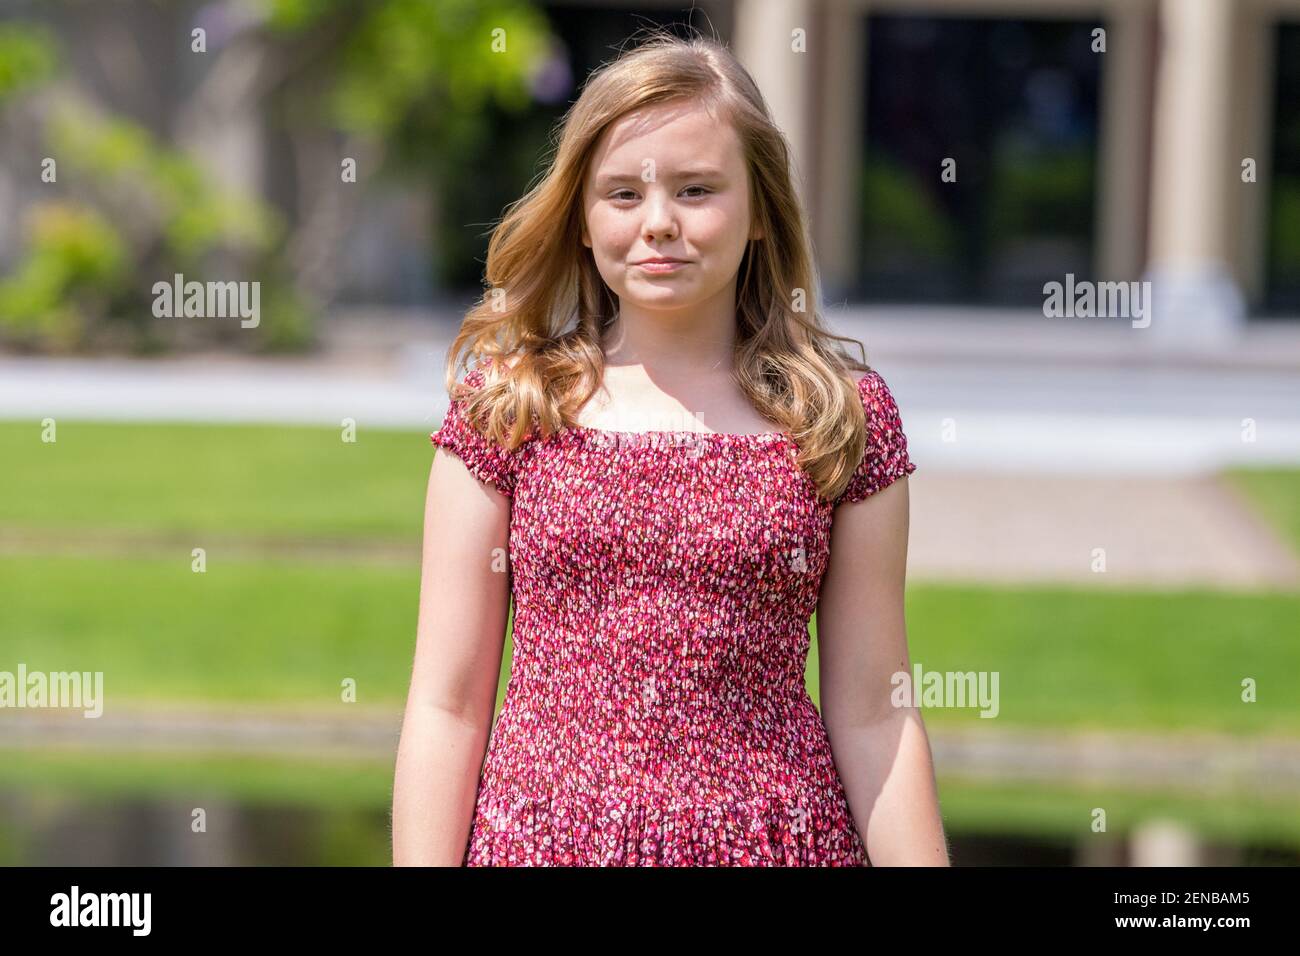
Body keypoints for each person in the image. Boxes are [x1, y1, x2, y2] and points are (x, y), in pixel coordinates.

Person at [393, 28, 948, 866]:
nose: (659, 224)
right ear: (580, 218)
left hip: (776, 845)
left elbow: (875, 711)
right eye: (622, 194)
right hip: (542, 846)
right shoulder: (509, 408)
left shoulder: (839, 419)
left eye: (696, 190)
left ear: (760, 210)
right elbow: (446, 706)